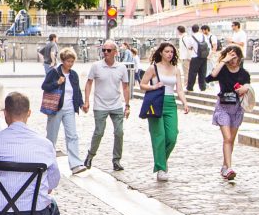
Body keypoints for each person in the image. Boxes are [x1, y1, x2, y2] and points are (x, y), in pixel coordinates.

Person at [140, 41, 191, 181]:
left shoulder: (176, 69)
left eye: (172, 52)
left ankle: (162, 160)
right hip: (156, 102)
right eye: (167, 51)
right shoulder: (153, 68)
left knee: (172, 136)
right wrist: (154, 86)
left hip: (170, 103)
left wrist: (184, 102)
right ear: (161, 52)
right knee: (159, 136)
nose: (169, 54)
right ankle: (161, 168)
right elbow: (142, 85)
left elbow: (179, 89)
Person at [83, 41, 131, 172]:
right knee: (99, 132)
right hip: (100, 105)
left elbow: (125, 87)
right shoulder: (96, 66)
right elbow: (89, 83)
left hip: (116, 105)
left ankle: (116, 160)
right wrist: (86, 101)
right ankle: (90, 156)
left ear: (115, 52)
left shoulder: (121, 68)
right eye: (104, 50)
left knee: (119, 132)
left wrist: (127, 105)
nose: (105, 53)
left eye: (109, 50)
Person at [208, 45, 252, 182]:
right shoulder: (223, 71)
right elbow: (210, 77)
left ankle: (225, 166)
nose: (233, 59)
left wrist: (245, 88)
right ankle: (229, 168)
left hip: (237, 108)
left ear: (239, 57)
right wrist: (223, 61)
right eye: (230, 56)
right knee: (227, 138)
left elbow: (247, 85)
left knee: (231, 139)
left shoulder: (244, 73)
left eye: (235, 56)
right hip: (223, 107)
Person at [41, 47, 85, 173]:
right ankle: (48, 162)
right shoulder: (54, 72)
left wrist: (81, 104)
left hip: (70, 109)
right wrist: (57, 83)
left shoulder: (73, 74)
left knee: (72, 136)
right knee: (51, 136)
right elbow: (44, 86)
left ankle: (75, 164)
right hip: (56, 108)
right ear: (63, 60)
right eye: (68, 61)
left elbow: (77, 91)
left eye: (72, 61)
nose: (70, 64)